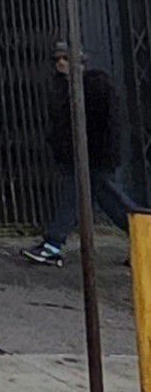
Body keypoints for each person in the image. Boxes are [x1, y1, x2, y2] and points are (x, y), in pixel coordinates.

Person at [22, 43, 146, 262]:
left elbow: (106, 124)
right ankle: (145, 237)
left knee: (77, 198)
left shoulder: (95, 84)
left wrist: (97, 154)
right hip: (78, 156)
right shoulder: (62, 87)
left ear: (80, 62)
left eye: (66, 59)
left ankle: (52, 245)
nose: (61, 63)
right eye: (58, 59)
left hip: (93, 156)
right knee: (111, 201)